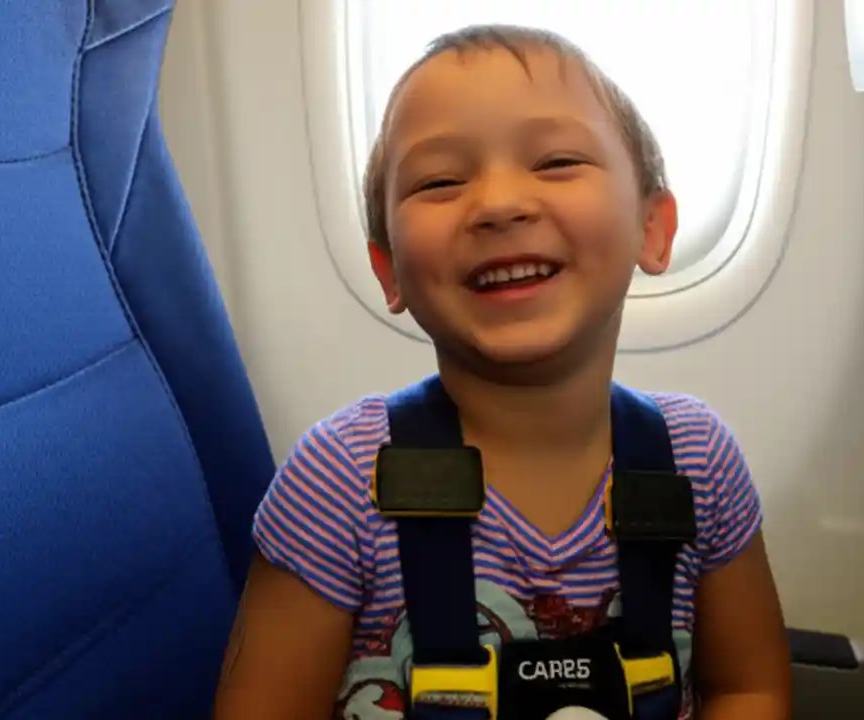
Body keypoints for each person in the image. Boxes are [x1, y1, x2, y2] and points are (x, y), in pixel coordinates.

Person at [214, 23, 791, 720]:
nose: (497, 204)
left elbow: (748, 690)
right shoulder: (339, 481)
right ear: (388, 269)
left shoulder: (698, 464)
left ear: (653, 227)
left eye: (556, 163)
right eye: (441, 180)